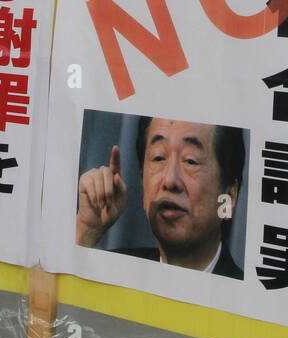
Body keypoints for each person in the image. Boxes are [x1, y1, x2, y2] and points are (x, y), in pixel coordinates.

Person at [76, 117, 244, 278]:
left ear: (228, 198)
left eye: (191, 161)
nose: (170, 180)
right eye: (158, 157)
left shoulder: (247, 301)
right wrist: (86, 231)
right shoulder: (114, 272)